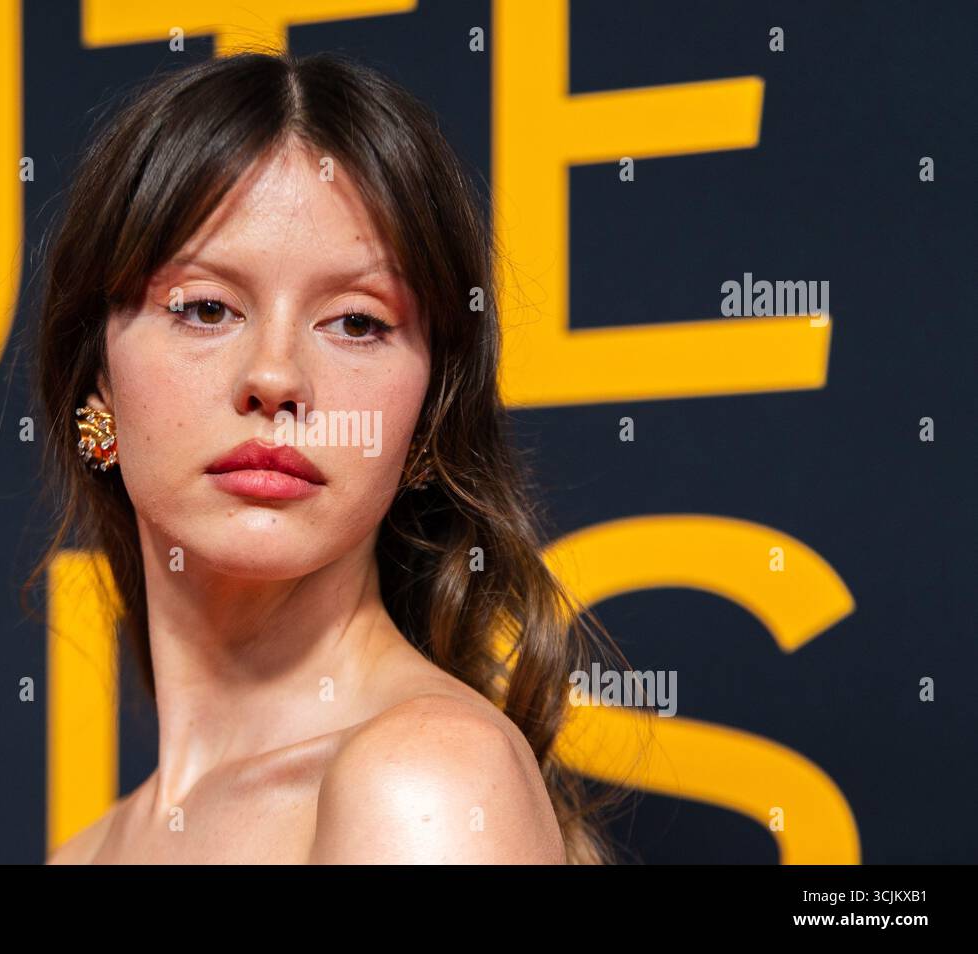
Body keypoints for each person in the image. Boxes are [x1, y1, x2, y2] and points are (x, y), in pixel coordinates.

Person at [31, 50, 630, 864]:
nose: (274, 376)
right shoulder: (87, 853)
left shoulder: (425, 783)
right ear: (95, 377)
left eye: (356, 322)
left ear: (426, 420)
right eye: (205, 307)